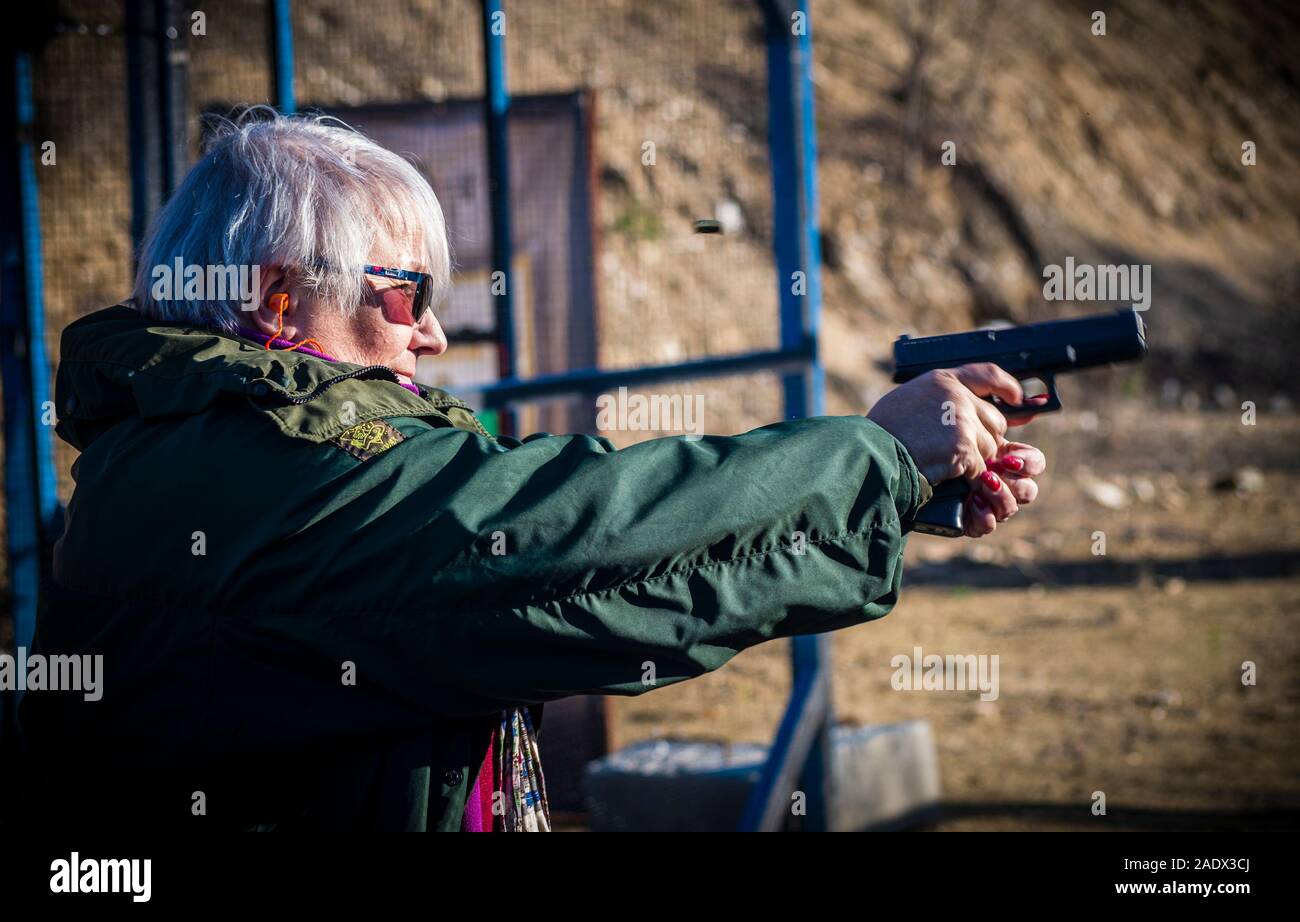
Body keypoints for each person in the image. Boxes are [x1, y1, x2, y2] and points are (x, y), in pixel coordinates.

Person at [20, 112, 1044, 831]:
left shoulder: (216, 448)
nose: (428, 331)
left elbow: (576, 571)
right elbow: (581, 544)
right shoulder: (273, 470)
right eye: (404, 290)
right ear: (281, 301)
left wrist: (891, 491)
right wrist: (871, 458)